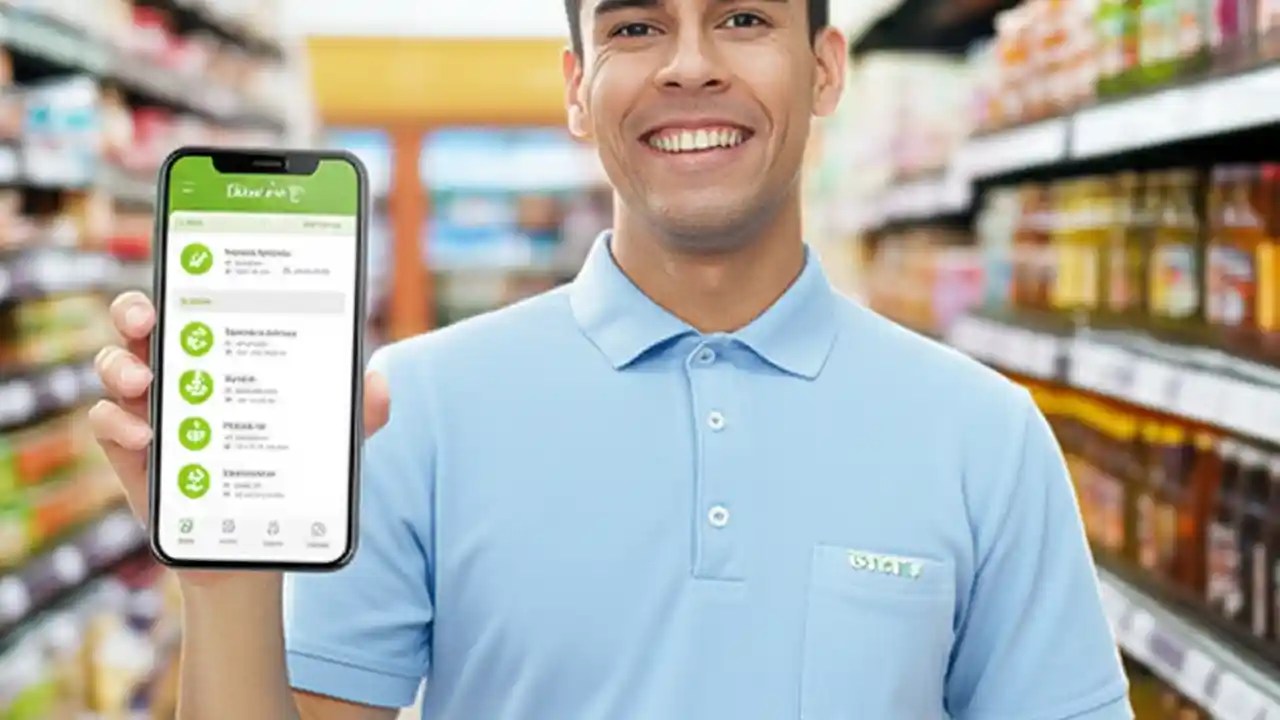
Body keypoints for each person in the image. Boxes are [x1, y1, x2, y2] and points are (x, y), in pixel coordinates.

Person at [89, 0, 1133, 718]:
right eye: (635, 26)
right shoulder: (409, 408)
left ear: (822, 69)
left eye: (741, 18)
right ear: (577, 87)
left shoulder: (982, 433)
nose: (688, 63)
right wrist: (223, 585)